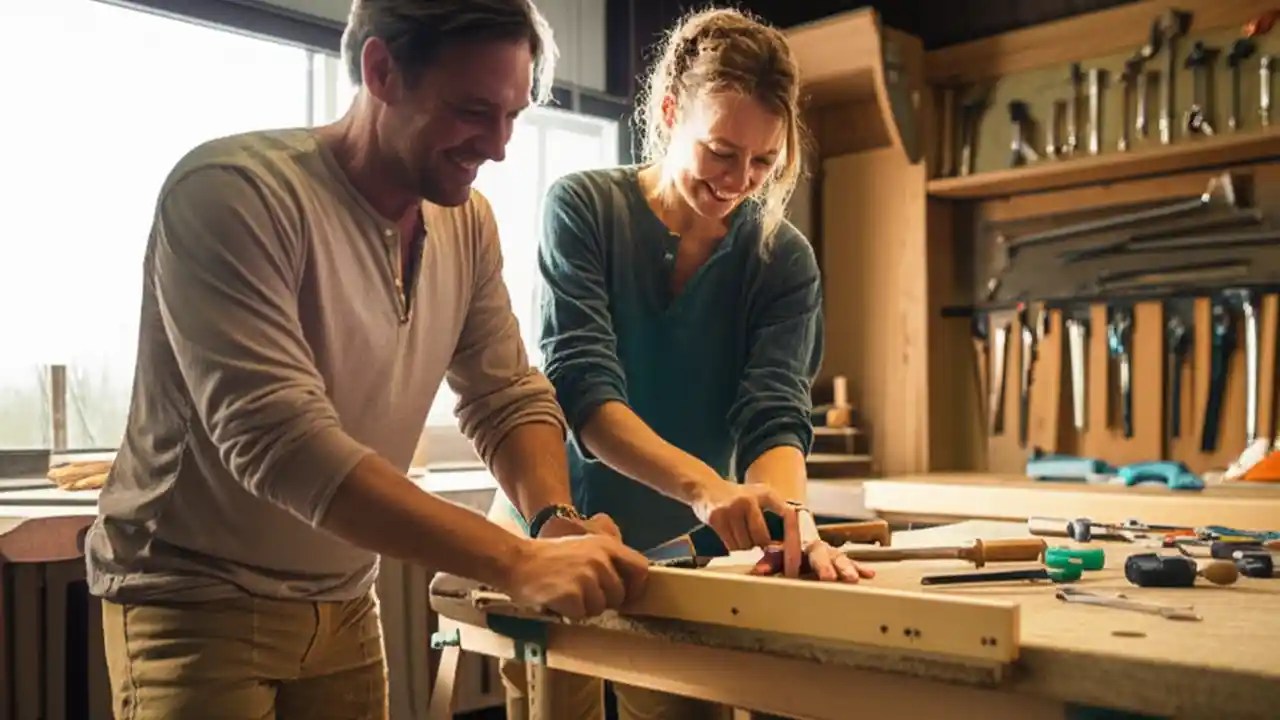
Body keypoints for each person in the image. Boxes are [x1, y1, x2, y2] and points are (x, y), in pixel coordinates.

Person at [83, 1, 649, 718]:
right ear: (381, 70)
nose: (500, 146)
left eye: (515, 114)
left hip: (344, 601)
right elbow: (278, 441)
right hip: (195, 604)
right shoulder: (232, 193)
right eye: (475, 111)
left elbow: (505, 396)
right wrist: (516, 562)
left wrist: (554, 520)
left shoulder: (466, 220)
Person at [489, 7, 873, 719]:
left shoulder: (784, 260)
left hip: (683, 557)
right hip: (556, 532)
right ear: (670, 113)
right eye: (721, 151)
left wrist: (790, 520)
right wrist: (708, 490)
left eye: (764, 160)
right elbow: (582, 393)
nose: (739, 180)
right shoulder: (582, 207)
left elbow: (774, 416)